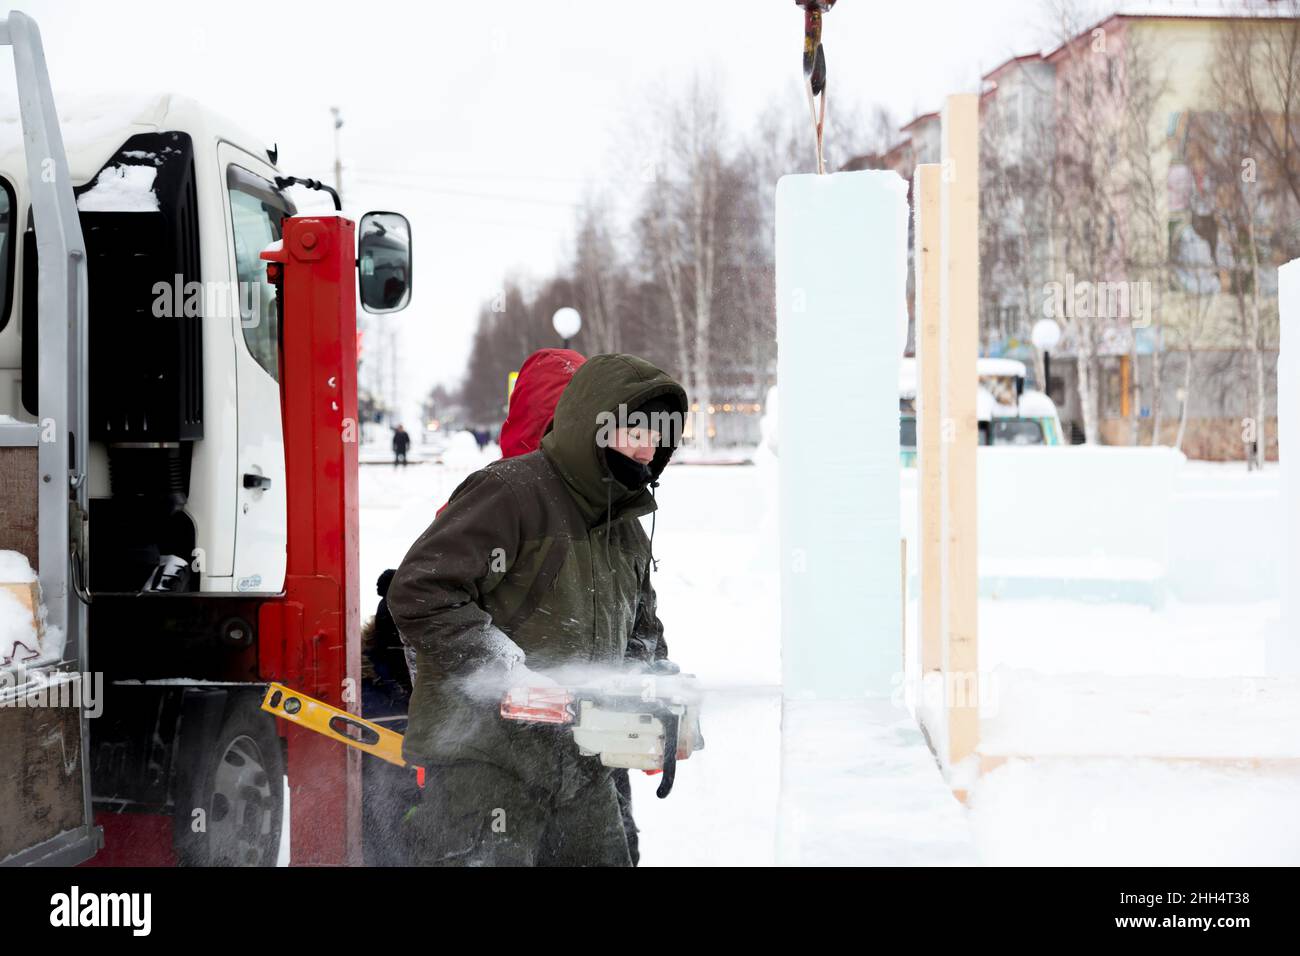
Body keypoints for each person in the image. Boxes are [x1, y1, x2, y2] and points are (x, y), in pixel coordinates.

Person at [387, 353, 686, 867]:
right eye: (631, 428)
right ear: (593, 424)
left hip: (584, 767)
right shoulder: (510, 492)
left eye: (657, 432)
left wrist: (654, 693)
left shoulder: (627, 526)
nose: (646, 444)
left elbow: (642, 632)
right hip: (485, 763)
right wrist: (507, 672)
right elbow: (421, 590)